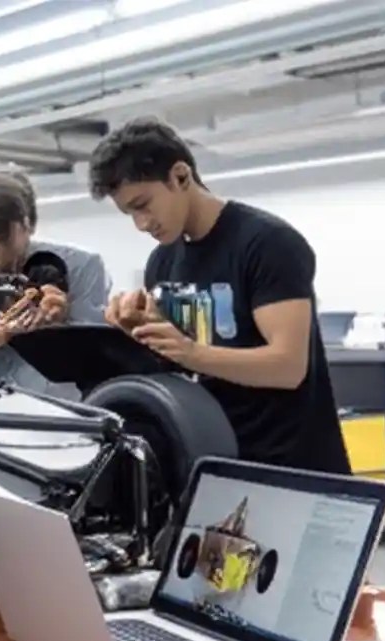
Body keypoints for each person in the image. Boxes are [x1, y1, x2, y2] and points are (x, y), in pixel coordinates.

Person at [90, 117, 350, 475]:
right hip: (215, 460)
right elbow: (181, 365)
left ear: (180, 176)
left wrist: (190, 352)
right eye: (129, 213)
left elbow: (288, 367)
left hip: (292, 470)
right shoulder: (162, 262)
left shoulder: (267, 243)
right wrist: (138, 334)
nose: (141, 224)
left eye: (143, 204)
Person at [0, 172, 110, 397]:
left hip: (69, 410)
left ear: (26, 225)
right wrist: (7, 328)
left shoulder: (82, 266)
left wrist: (61, 323)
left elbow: (97, 354)